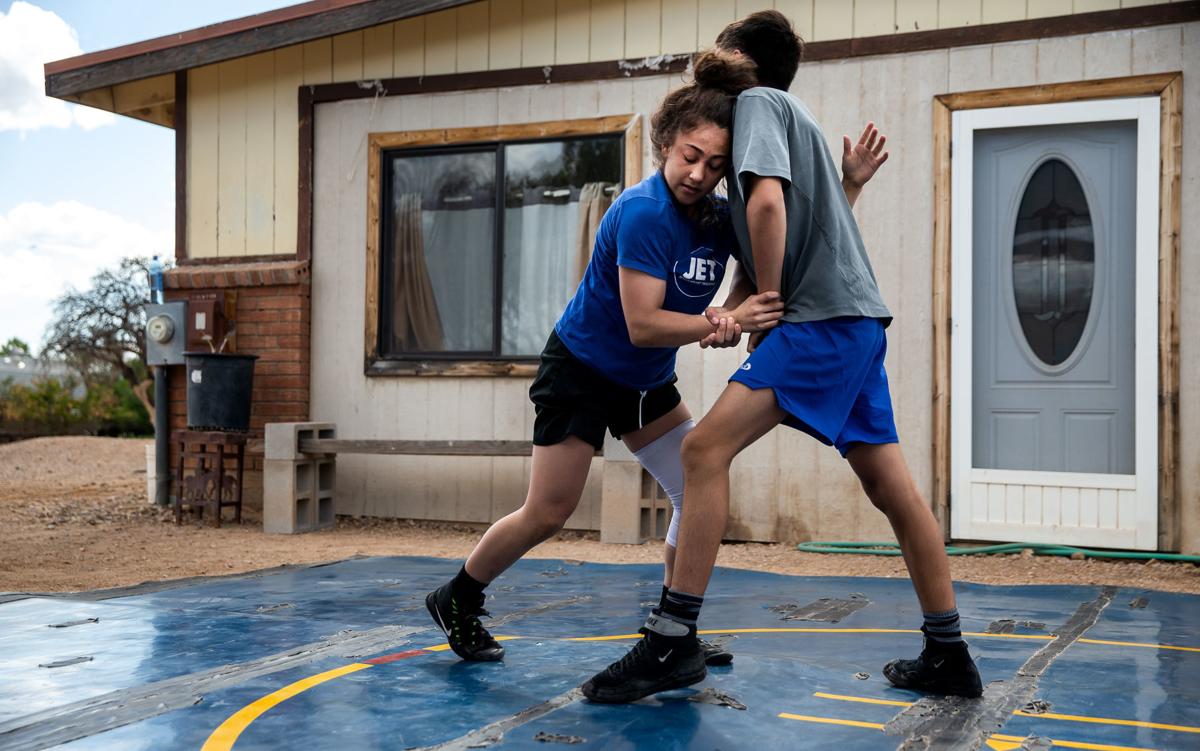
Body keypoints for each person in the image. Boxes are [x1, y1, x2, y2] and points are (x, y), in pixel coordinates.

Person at [425, 52, 886, 669]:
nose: (698, 173)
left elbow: (791, 251)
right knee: (549, 510)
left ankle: (675, 628)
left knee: (695, 485)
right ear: (662, 146)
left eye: (716, 165)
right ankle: (457, 596)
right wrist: (720, 322)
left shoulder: (719, 218)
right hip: (582, 372)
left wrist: (847, 184)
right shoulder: (643, 212)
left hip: (645, 382)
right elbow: (643, 325)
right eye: (689, 156)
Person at [582, 11, 983, 704]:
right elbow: (814, 232)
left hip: (821, 324)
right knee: (894, 490)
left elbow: (769, 207)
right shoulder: (786, 121)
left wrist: (765, 301)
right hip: (855, 321)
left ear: (736, 58)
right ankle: (949, 651)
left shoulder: (760, 104)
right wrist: (847, 186)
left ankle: (671, 641)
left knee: (702, 452)